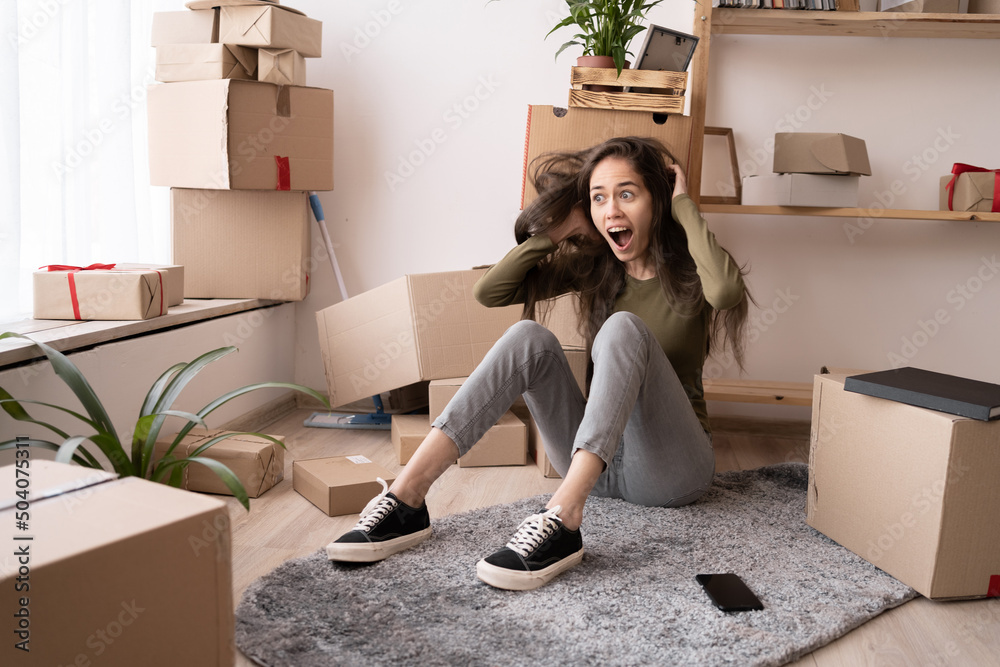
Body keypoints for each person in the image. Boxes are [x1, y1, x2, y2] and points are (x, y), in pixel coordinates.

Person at [326, 136, 753, 591]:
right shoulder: (597, 267)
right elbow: (489, 292)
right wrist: (557, 232)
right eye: (598, 199)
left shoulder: (694, 268)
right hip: (597, 465)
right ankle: (407, 498)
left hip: (670, 471)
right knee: (527, 336)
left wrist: (684, 204)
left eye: (627, 194)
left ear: (658, 200)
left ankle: (563, 519)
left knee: (623, 328)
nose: (612, 211)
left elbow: (726, 293)